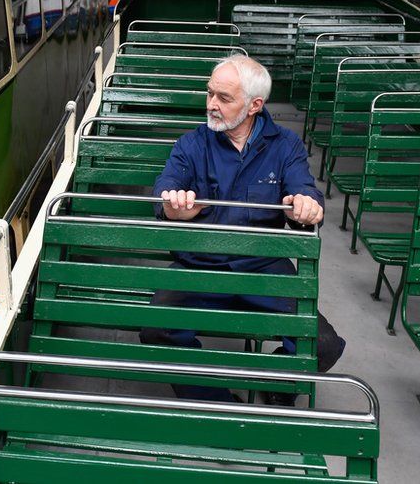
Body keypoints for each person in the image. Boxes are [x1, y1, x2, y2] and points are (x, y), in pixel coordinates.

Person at [139, 55, 345, 404]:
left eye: (224, 98)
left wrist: (306, 206)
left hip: (263, 267)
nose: (212, 105)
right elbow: (165, 190)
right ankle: (218, 404)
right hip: (199, 264)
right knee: (157, 330)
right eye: (210, 94)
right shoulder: (192, 144)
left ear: (255, 105)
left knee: (323, 345)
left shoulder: (285, 146)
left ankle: (276, 384)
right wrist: (174, 208)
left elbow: (306, 193)